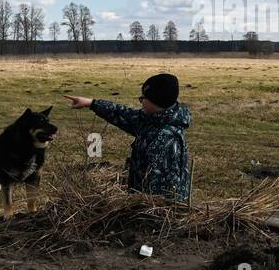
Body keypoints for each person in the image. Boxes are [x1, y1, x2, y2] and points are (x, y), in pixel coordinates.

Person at [64, 73, 191, 202]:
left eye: (143, 98)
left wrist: (138, 206)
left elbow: (157, 190)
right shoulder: (154, 120)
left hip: (157, 212)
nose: (140, 101)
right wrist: (92, 103)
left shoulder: (164, 139)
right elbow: (124, 114)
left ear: (156, 101)